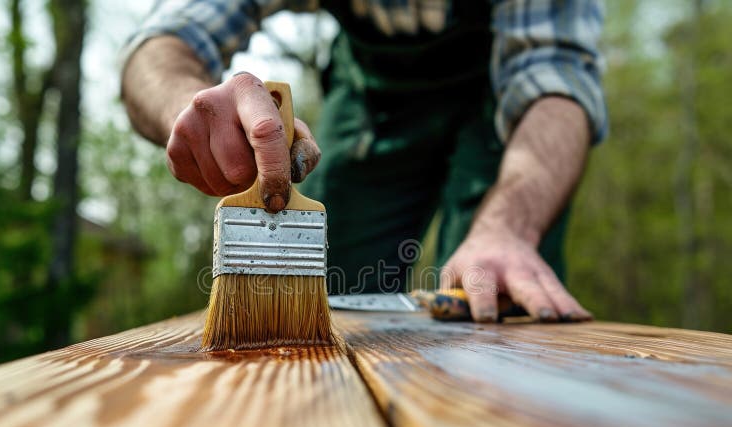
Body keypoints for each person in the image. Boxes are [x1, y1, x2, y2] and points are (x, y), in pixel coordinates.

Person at [120, 0, 607, 323]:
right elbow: (167, 37)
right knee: (311, 298)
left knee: (491, 302)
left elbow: (558, 83)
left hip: (507, 111)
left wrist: (509, 228)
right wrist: (192, 109)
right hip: (371, 101)